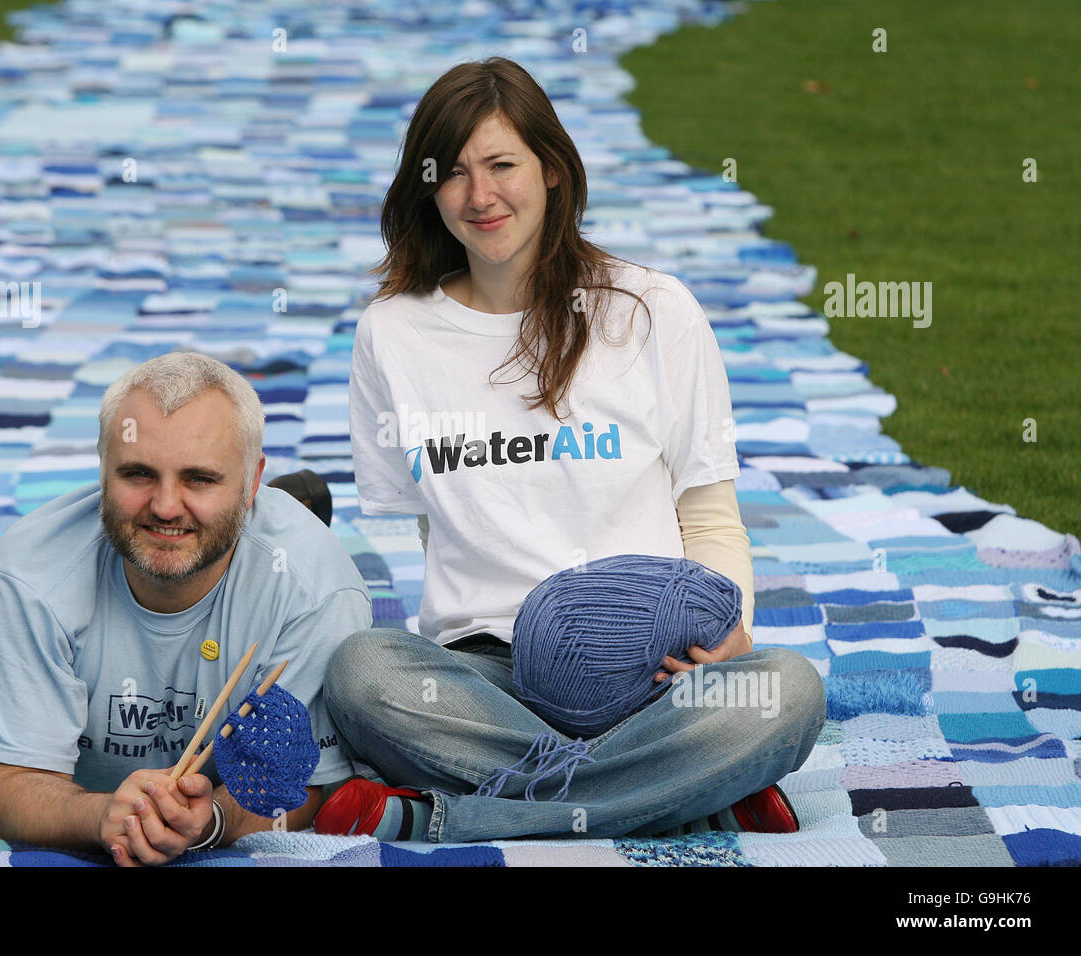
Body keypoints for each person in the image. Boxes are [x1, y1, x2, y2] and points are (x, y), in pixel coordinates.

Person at [317, 57, 826, 843]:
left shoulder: (652, 311)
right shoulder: (392, 332)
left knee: (788, 691)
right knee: (361, 672)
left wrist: (732, 636)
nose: (478, 196)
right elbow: (436, 525)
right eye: (451, 173)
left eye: (500, 165)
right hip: (490, 676)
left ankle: (444, 818)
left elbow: (708, 512)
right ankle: (685, 790)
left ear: (552, 170)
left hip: (652, 674)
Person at [0, 350, 373, 865]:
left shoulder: (319, 589)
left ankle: (288, 507)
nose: (164, 505)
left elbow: (309, 788)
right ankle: (269, 500)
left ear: (251, 483)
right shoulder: (29, 572)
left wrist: (212, 820)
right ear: (102, 468)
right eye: (137, 474)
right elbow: (14, 789)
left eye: (199, 478)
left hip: (280, 567)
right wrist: (101, 815)